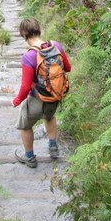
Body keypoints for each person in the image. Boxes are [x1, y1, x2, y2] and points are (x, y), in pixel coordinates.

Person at [12, 18, 72, 168]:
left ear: (24, 35)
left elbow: (25, 86)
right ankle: (53, 147)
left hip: (37, 98)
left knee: (25, 126)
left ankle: (30, 158)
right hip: (55, 95)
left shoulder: (29, 56)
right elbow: (68, 68)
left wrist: (17, 101)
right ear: (39, 30)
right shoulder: (56, 45)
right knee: (50, 117)